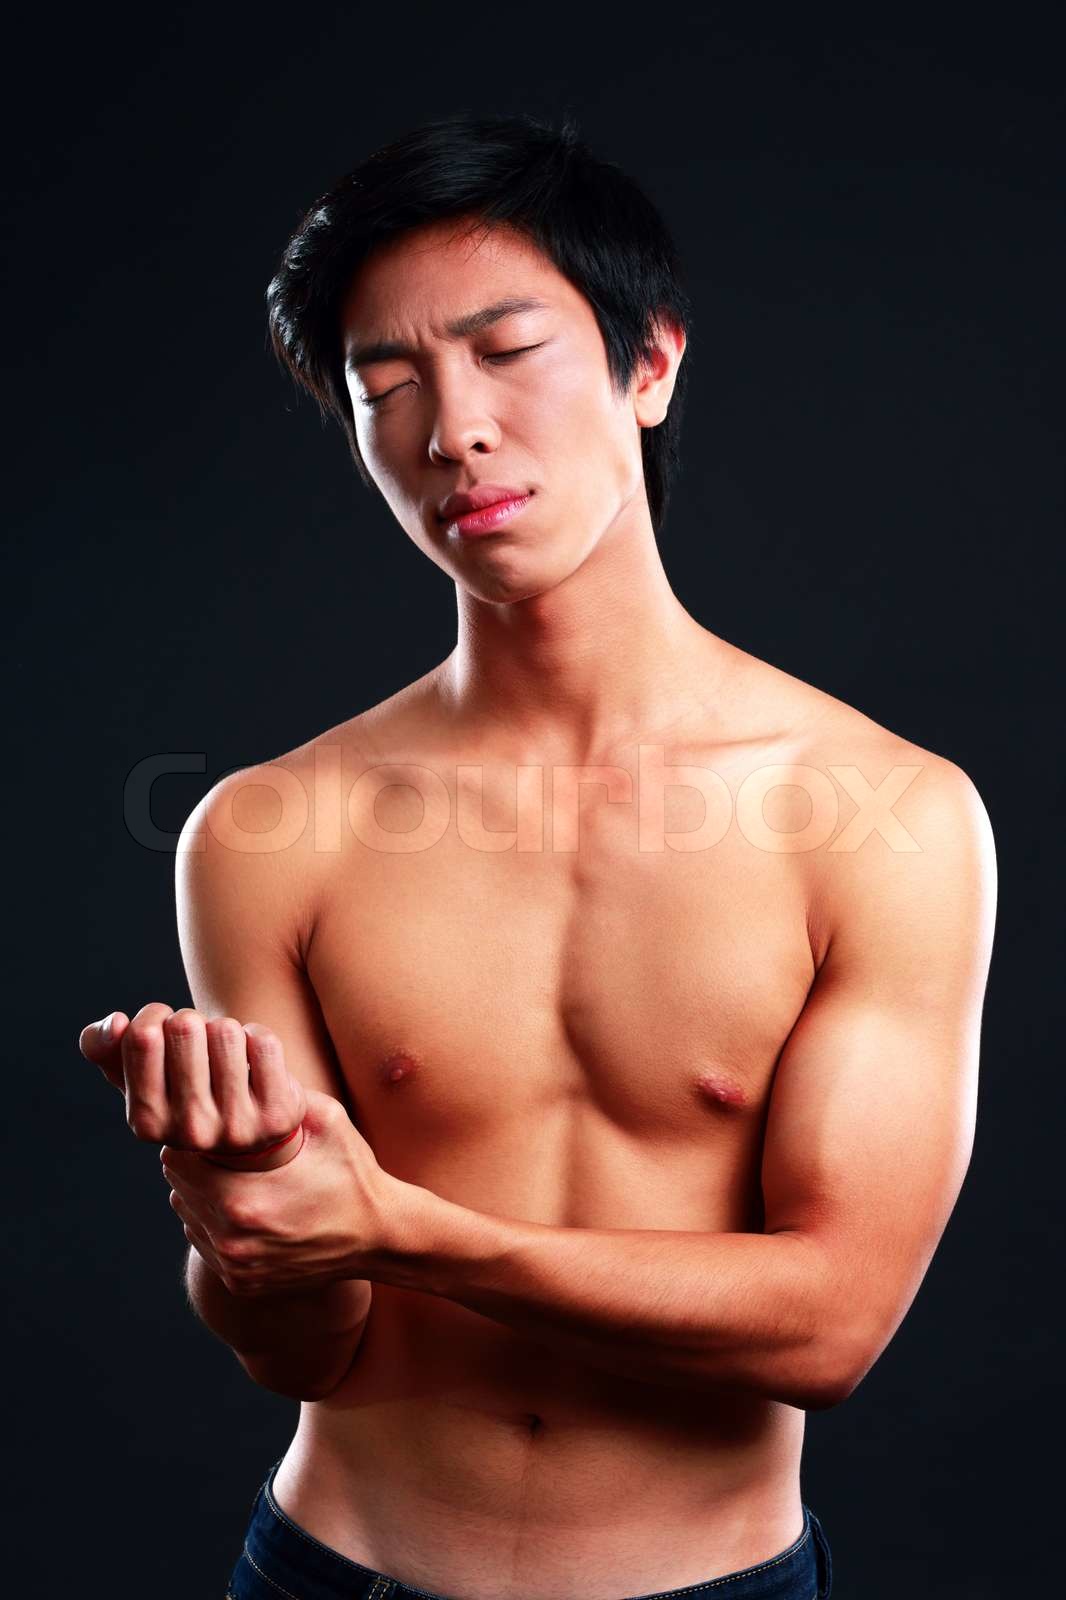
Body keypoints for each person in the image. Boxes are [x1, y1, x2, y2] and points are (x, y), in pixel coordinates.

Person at [79, 112, 996, 1600]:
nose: (452, 430)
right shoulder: (262, 827)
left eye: (507, 352)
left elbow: (831, 1326)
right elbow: (308, 1351)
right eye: (387, 386)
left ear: (651, 364)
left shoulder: (885, 812)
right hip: (334, 1569)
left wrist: (393, 1223)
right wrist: (245, 1222)